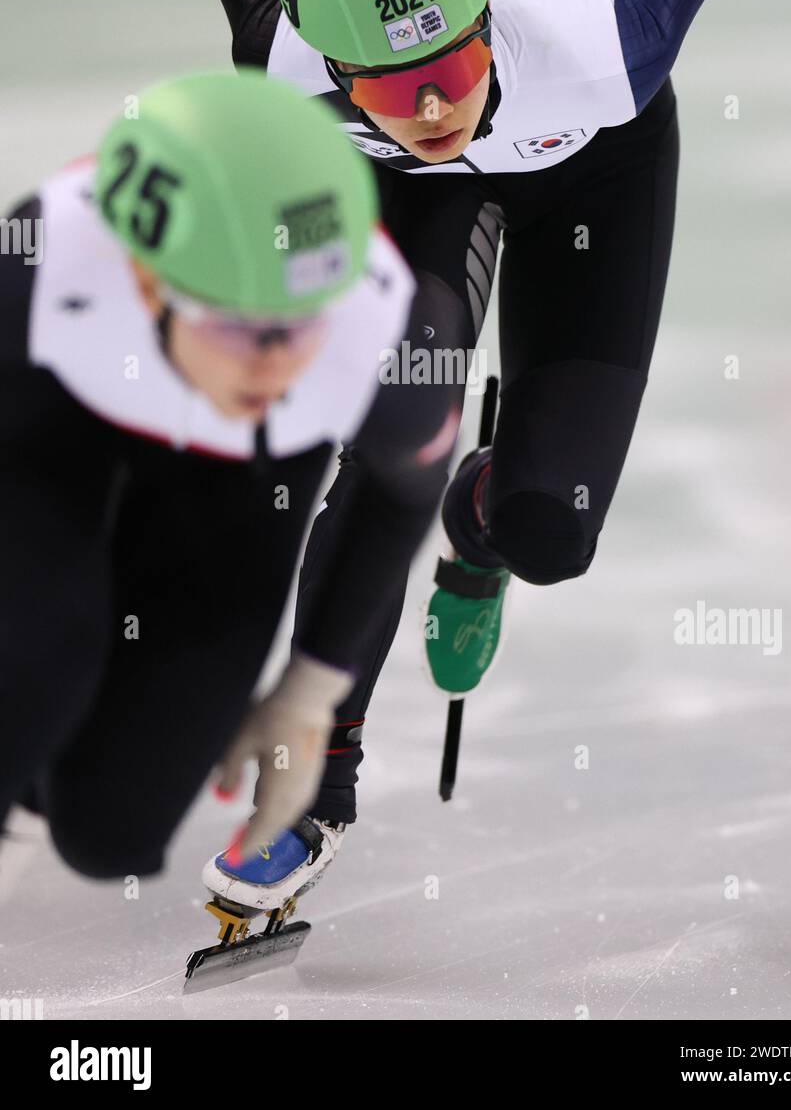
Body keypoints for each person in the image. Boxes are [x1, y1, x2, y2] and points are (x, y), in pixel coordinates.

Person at [201, 0, 744, 859]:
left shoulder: (606, 48)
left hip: (597, 174)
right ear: (330, 66)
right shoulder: (285, 64)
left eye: (448, 73)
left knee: (551, 532)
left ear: (487, 21)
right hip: (432, 201)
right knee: (388, 450)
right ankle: (314, 783)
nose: (432, 112)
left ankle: (478, 518)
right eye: (390, 92)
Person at [0, 69, 459, 885]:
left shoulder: (382, 336)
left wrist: (312, 688)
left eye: (303, 322)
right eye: (245, 328)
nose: (278, 364)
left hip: (242, 480)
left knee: (111, 837)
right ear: (147, 282)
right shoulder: (39, 266)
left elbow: (405, 492)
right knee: (37, 656)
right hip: (59, 443)